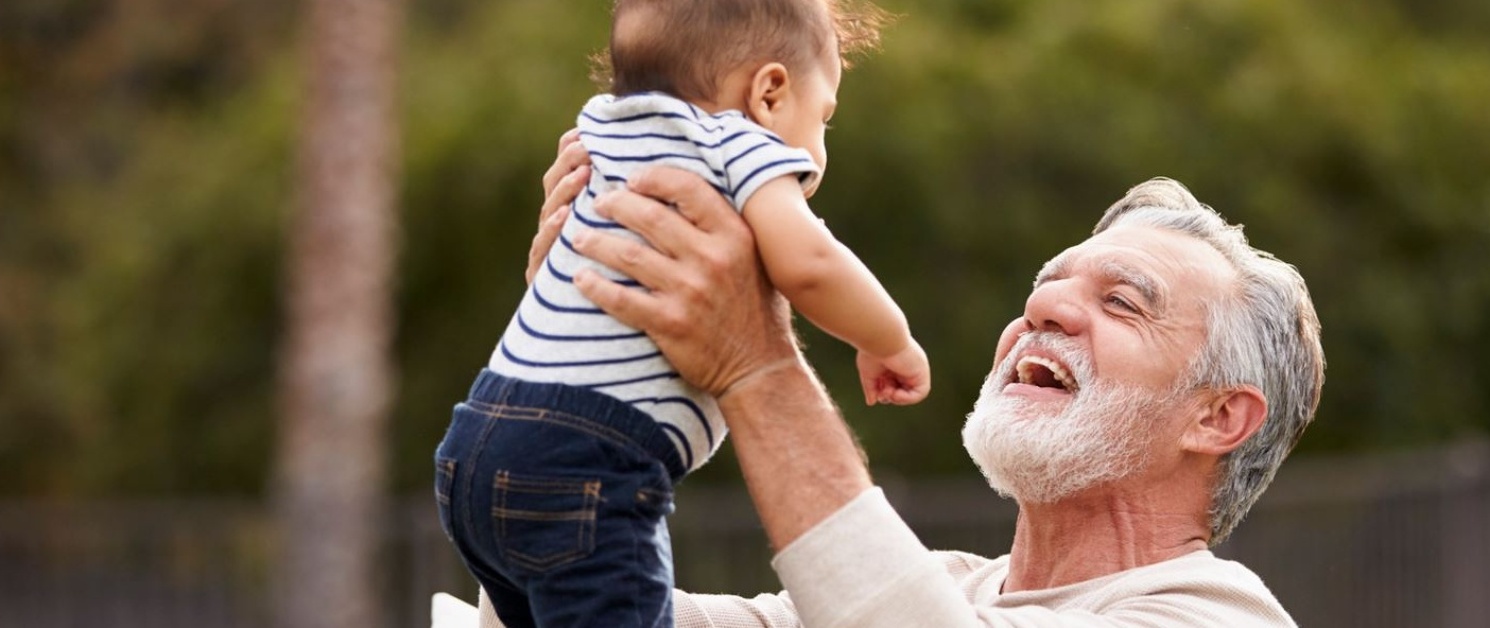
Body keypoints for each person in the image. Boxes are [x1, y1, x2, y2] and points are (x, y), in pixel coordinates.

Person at [435, 157, 1325, 626]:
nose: (1043, 308)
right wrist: (576, 346)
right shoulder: (937, 589)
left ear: (1218, 417)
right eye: (1046, 286)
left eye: (1122, 302)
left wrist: (756, 362)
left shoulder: (1219, 619)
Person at [433, 1, 923, 626]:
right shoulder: (737, 143)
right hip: (586, 464)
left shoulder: (606, 131)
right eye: (824, 117)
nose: (820, 148)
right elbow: (812, 266)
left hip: (475, 444)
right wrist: (890, 339)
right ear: (770, 93)